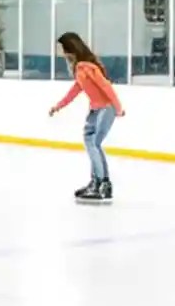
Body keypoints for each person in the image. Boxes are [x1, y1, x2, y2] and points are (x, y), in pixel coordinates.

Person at [48, 32, 124, 203]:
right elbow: (74, 91)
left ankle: (103, 183)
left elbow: (106, 87)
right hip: (96, 110)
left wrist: (118, 108)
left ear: (70, 49)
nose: (62, 53)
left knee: (94, 143)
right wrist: (58, 106)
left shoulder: (87, 67)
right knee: (91, 142)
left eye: (63, 49)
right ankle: (96, 182)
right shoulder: (79, 69)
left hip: (106, 108)